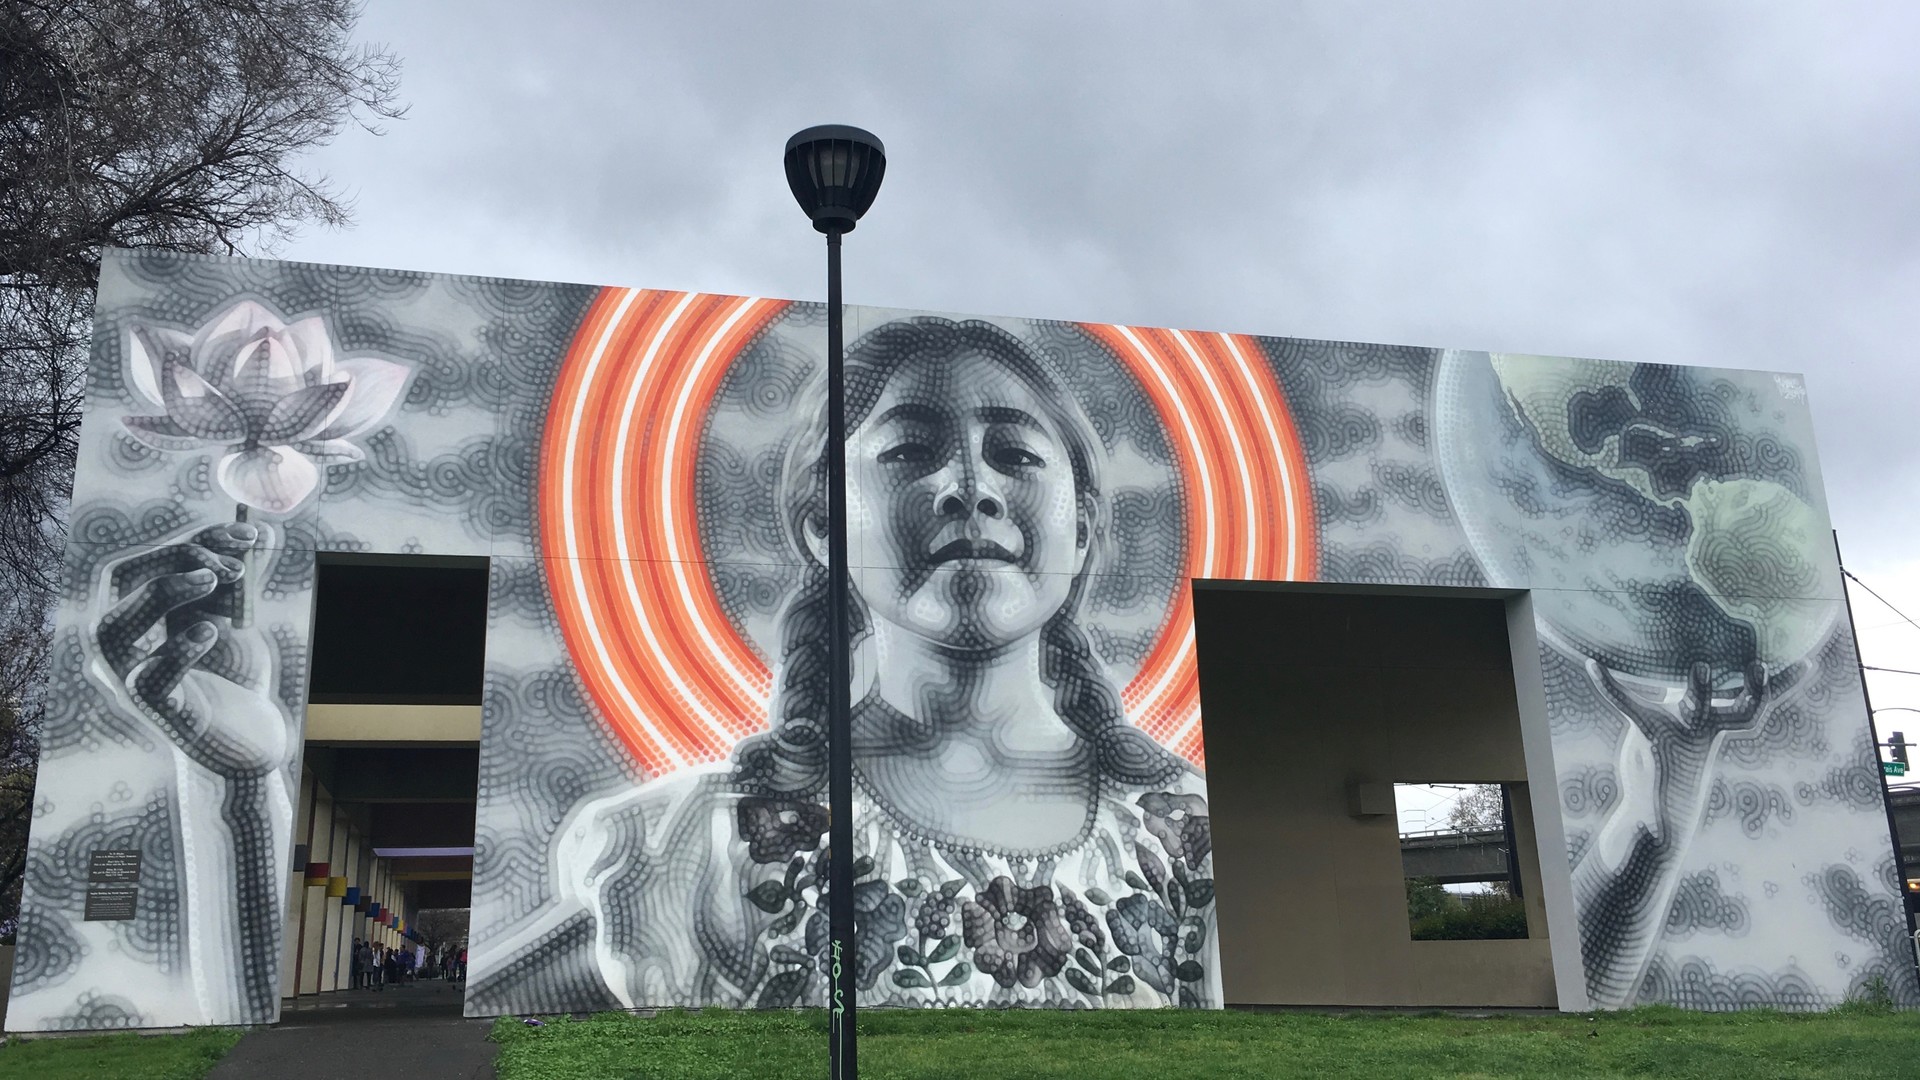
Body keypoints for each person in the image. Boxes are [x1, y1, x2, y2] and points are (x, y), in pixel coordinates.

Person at [471, 317, 1218, 1012]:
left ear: (1081, 531)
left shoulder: (1193, 835)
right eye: (909, 452)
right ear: (826, 526)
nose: (970, 488)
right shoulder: (703, 848)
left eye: (1016, 455)